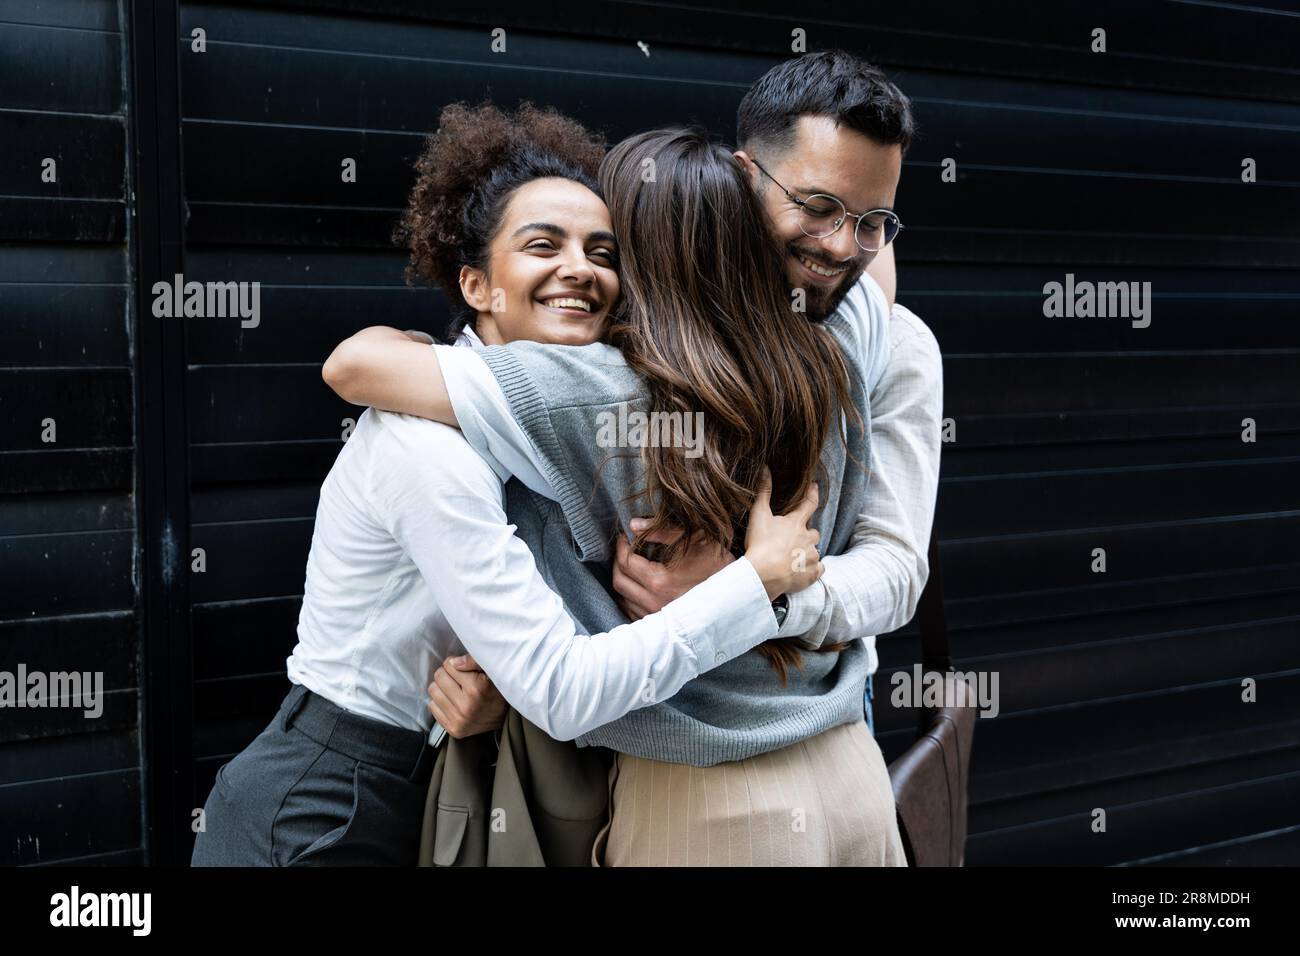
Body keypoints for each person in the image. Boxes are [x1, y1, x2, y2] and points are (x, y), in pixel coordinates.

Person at [190, 102, 827, 867]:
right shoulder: (425, 443)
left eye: (602, 251)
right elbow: (563, 688)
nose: (579, 267)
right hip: (323, 800)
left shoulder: (571, 414)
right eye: (542, 245)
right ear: (477, 285)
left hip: (427, 779)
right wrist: (754, 586)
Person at [326, 117, 914, 864]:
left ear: (636, 264)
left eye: (607, 250)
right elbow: (875, 267)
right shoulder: (837, 356)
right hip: (854, 774)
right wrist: (850, 213)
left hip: (704, 801)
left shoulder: (583, 392)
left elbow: (351, 369)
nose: (587, 271)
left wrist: (404, 341)